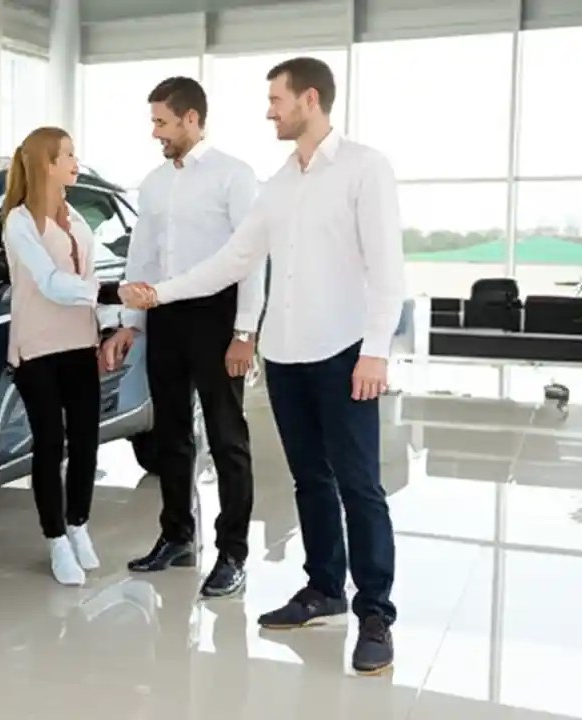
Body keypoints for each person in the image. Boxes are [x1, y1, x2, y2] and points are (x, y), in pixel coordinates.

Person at [119, 57, 405, 675]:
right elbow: (232, 259)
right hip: (287, 355)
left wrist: (376, 349)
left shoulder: (364, 168)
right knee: (310, 481)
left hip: (345, 352)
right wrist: (158, 295)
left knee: (360, 485)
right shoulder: (279, 184)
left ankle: (376, 612)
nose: (269, 110)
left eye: (276, 99)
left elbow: (388, 268)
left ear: (309, 99)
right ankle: (324, 591)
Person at [99, 77, 266, 599]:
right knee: (170, 434)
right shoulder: (151, 183)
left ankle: (233, 555)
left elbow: (252, 259)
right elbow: (140, 259)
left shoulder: (234, 177)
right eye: (153, 122)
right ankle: (177, 537)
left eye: (162, 122)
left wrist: (245, 332)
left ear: (192, 119)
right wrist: (131, 322)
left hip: (217, 319)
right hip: (164, 315)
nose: (155, 133)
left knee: (226, 438)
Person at [2, 126, 119, 586]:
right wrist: (111, 291)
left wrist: (109, 325)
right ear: (46, 163)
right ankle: (55, 541)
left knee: (86, 440)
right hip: (38, 348)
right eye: (68, 154)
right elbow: (51, 283)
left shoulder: (77, 220)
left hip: (79, 344)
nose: (75, 161)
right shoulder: (19, 222)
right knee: (50, 444)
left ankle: (78, 526)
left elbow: (90, 279)